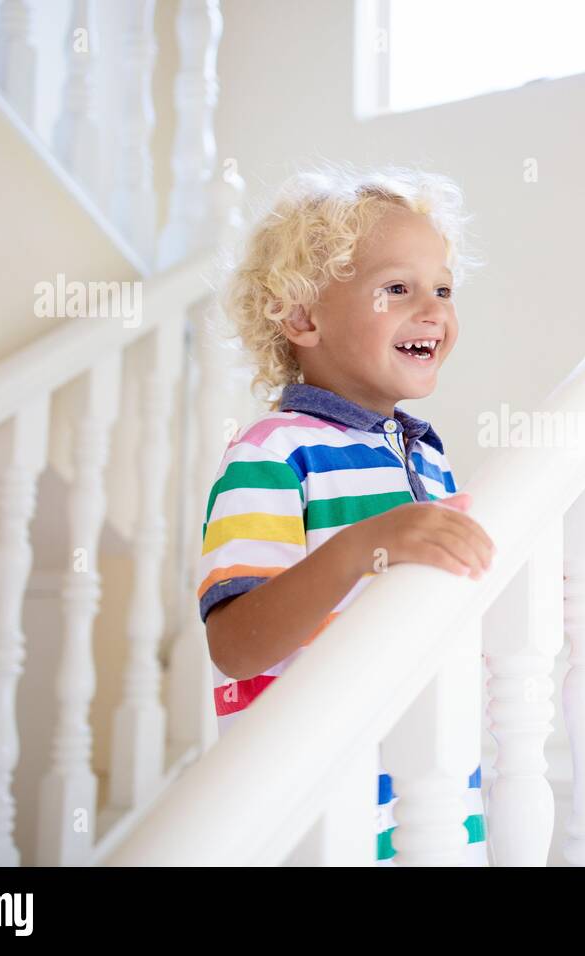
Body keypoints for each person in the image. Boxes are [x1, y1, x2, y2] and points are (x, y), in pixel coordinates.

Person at [196, 162, 494, 865]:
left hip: (436, 791)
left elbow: (469, 592)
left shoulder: (428, 458)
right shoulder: (271, 456)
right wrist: (363, 546)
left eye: (443, 289)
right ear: (302, 317)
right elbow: (236, 645)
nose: (433, 310)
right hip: (323, 809)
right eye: (397, 288)